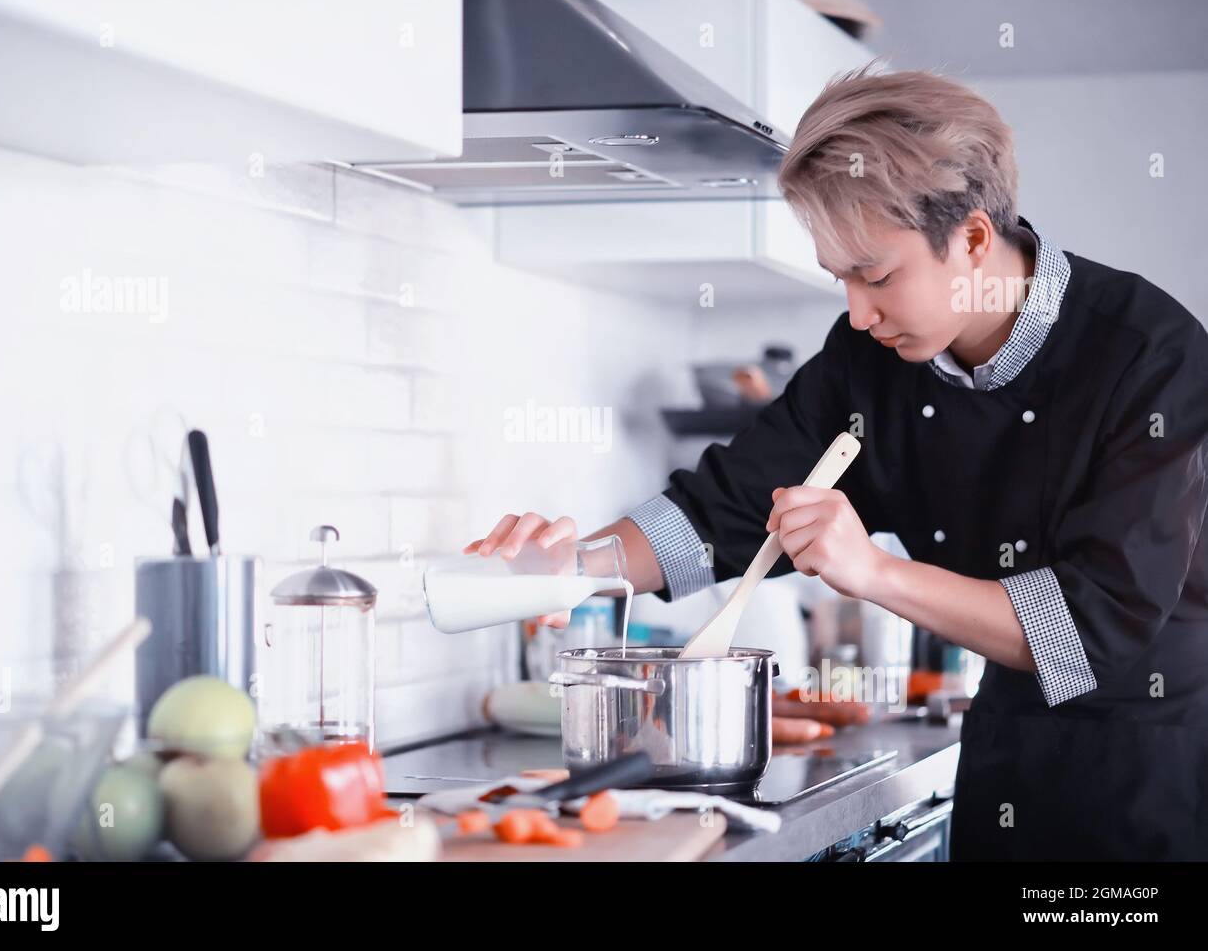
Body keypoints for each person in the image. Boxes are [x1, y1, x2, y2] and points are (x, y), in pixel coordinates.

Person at [465, 67, 1208, 861]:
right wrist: (578, 569)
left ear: (974, 239)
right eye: (840, 279)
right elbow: (727, 506)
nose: (857, 312)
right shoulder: (871, 359)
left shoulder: (1147, 357)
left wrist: (873, 572)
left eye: (877, 275)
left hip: (1157, 773)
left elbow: (1088, 631)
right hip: (1006, 756)